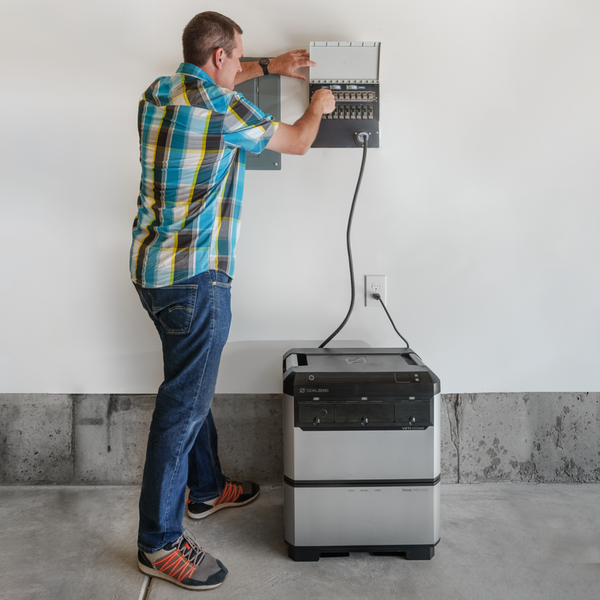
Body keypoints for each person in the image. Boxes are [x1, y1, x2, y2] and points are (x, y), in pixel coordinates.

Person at [129, 11, 335, 592]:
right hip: (197, 280)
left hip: (150, 271)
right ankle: (158, 543)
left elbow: (218, 81)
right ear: (220, 57)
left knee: (189, 385)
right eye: (239, 56)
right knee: (183, 407)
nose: (242, 64)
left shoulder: (157, 91)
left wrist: (271, 65)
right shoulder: (226, 111)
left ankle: (206, 489)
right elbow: (298, 141)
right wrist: (319, 104)